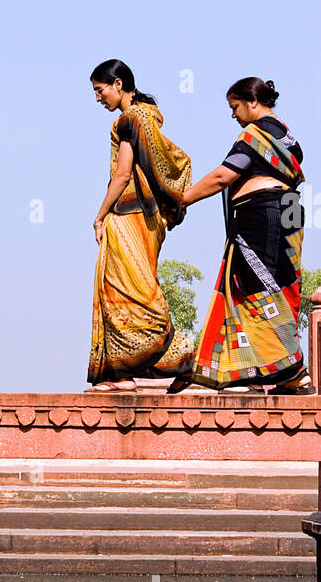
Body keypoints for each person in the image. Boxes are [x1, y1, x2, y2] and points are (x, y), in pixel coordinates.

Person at [168, 77, 311, 394]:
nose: (233, 115)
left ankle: (292, 371)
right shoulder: (286, 136)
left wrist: (182, 198)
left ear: (252, 102)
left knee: (258, 290)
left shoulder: (255, 135)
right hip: (285, 214)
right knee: (268, 289)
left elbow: (223, 176)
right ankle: (263, 373)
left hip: (262, 216)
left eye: (235, 107)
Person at [88, 59, 195, 390]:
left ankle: (184, 357)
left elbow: (122, 174)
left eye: (99, 90)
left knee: (123, 291)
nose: (97, 98)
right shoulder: (148, 115)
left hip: (128, 218)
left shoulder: (131, 119)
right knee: (131, 290)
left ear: (118, 85)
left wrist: (99, 214)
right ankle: (119, 373)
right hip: (147, 219)